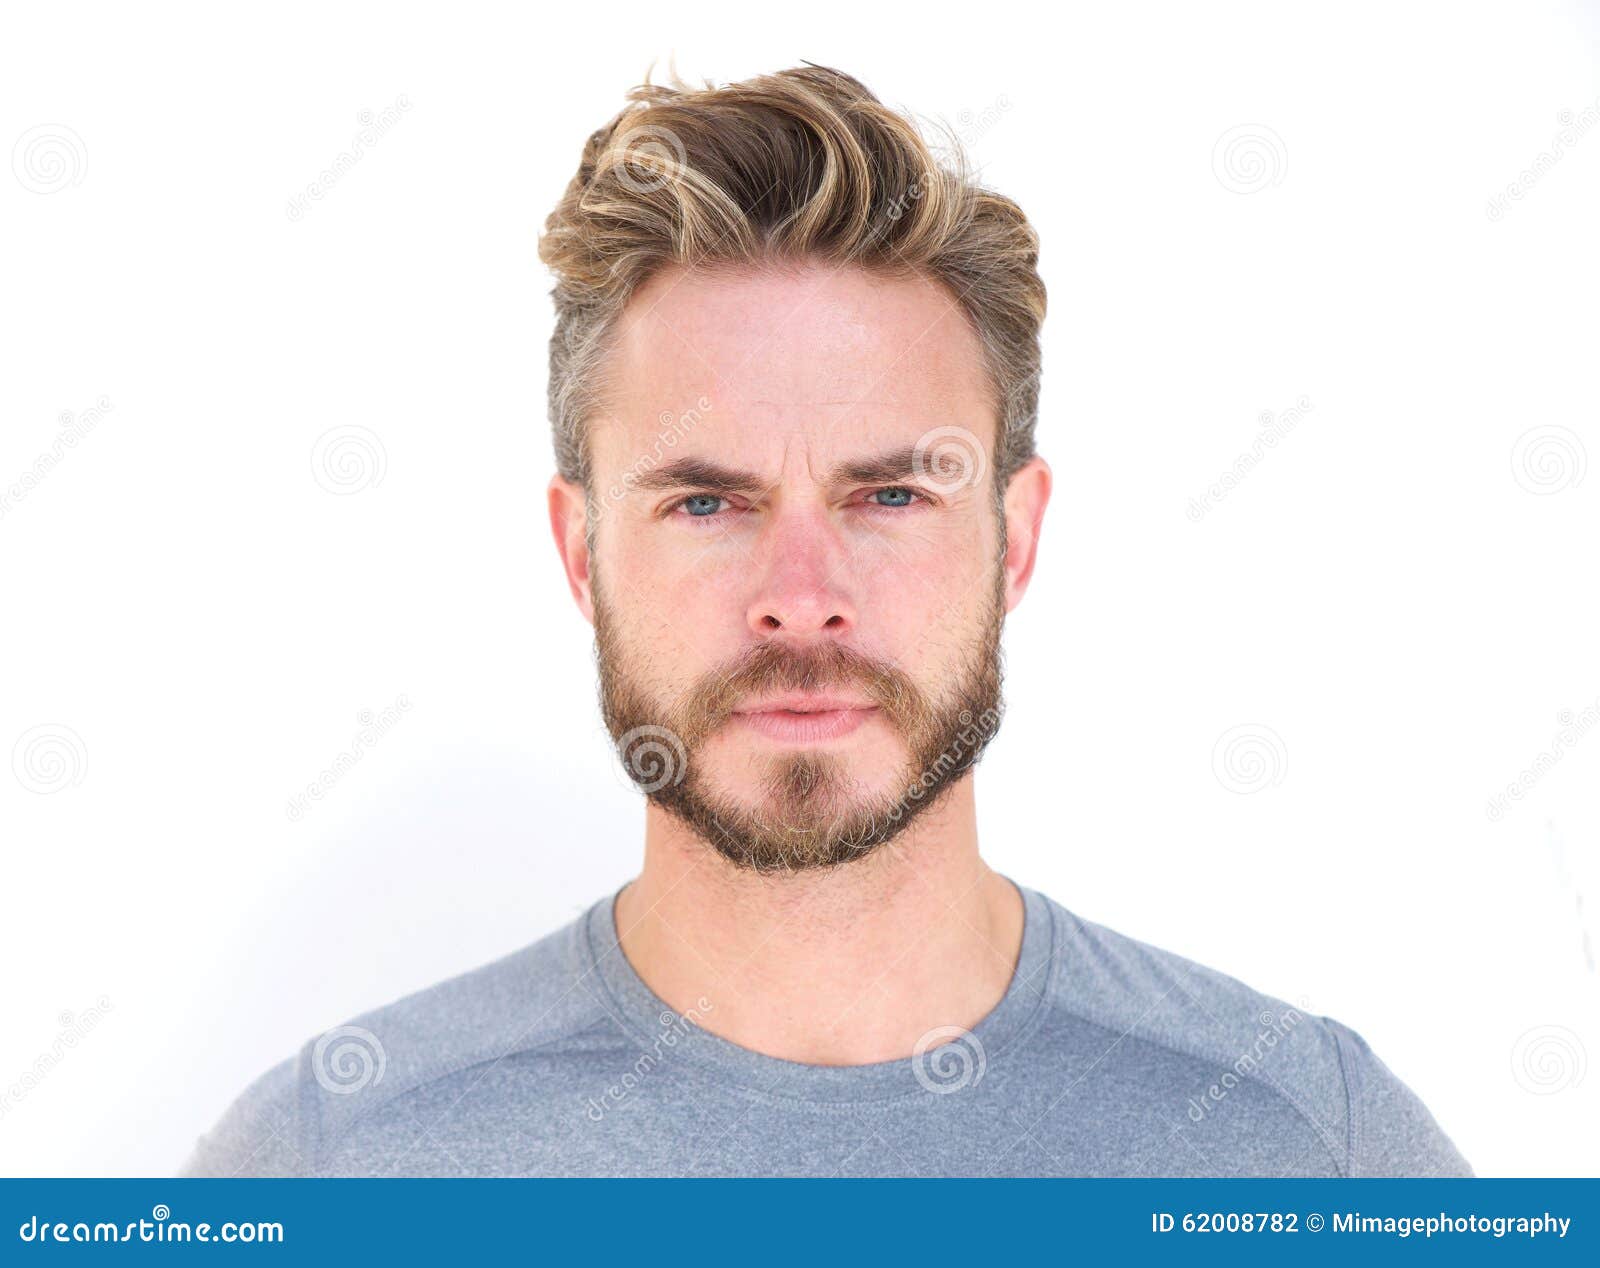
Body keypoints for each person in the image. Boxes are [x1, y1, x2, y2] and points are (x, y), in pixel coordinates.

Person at [182, 63, 1470, 1178]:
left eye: (893, 492)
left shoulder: (1311, 1148)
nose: (802, 592)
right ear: (581, 553)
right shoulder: (330, 1166)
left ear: (1014, 538)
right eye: (704, 502)